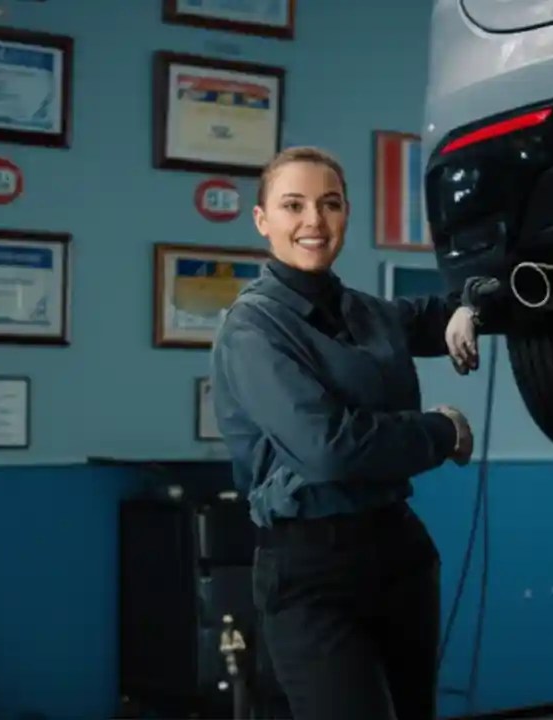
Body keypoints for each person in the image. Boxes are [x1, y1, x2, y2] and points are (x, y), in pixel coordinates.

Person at [208, 145, 483, 720]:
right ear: (263, 221)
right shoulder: (252, 329)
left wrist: (472, 306)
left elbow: (441, 310)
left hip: (398, 553)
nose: (314, 221)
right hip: (310, 570)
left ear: (346, 215)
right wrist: (443, 430)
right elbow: (328, 449)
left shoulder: (368, 312)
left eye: (329, 204)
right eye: (293, 205)